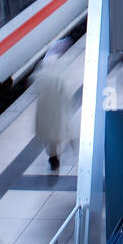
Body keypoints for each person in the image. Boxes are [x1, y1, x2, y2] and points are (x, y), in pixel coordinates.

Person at [35, 37, 74, 172]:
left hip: (44, 109)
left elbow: (35, 85)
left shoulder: (42, 69)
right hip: (56, 109)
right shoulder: (58, 74)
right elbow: (64, 93)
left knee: (50, 135)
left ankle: (53, 157)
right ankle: (54, 156)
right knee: (57, 133)